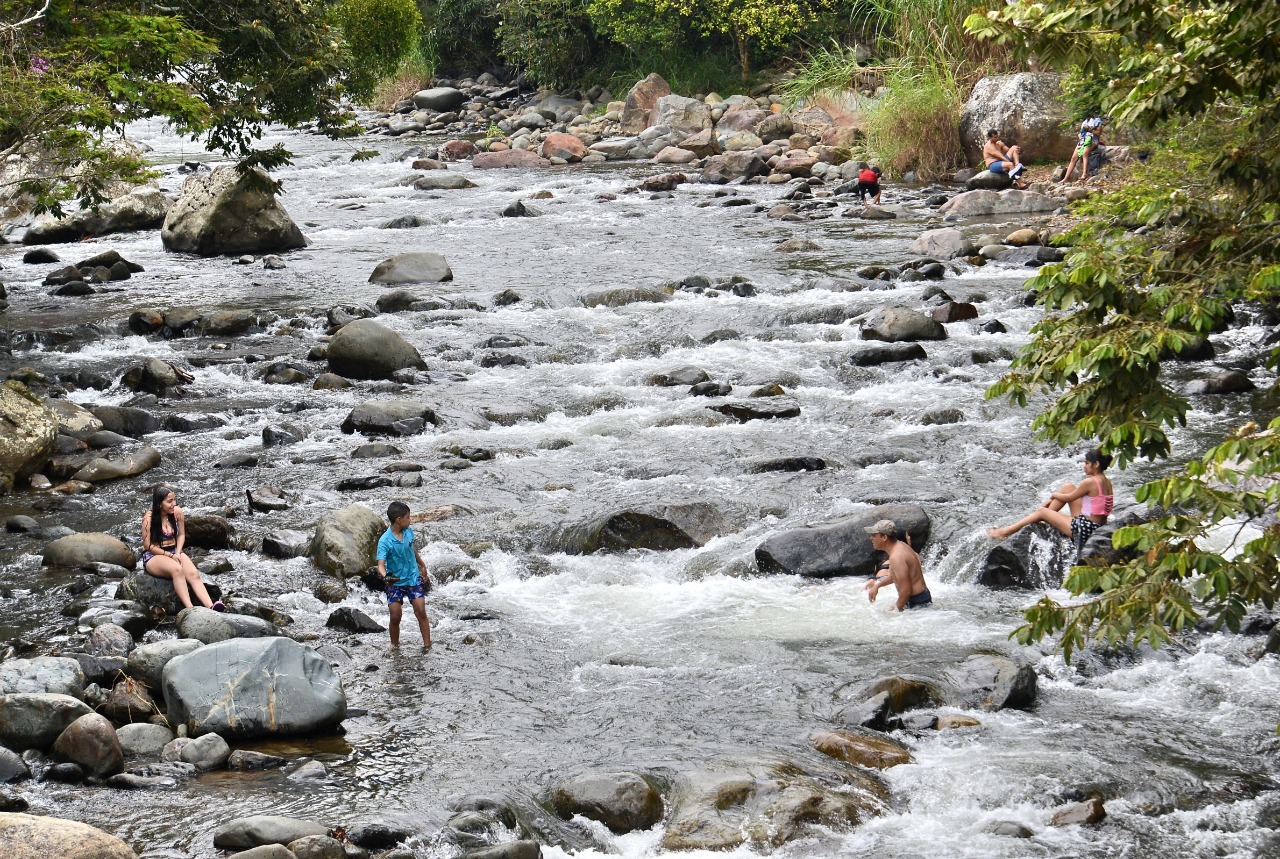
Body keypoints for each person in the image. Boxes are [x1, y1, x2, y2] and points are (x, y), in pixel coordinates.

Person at [986, 448, 1115, 561]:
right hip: (1095, 525)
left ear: (1096, 464)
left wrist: (1053, 495)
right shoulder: (1106, 481)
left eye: (1087, 463)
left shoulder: (1090, 482)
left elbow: (1069, 497)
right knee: (1068, 487)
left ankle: (1005, 532)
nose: (1084, 466)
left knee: (1042, 511)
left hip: (1085, 529)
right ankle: (1046, 518)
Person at [141, 486, 223, 611]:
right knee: (177, 570)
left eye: (174, 500)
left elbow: (181, 535)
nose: (174, 504)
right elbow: (148, 545)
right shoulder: (149, 519)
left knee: (193, 573)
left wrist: (178, 552)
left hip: (174, 551)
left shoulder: (177, 513)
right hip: (154, 556)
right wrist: (170, 556)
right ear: (159, 504)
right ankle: (190, 608)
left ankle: (210, 605)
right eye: (169, 501)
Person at [377, 500, 432, 649]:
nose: (410, 520)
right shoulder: (385, 541)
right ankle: (394, 646)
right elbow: (380, 565)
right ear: (399, 520)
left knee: (421, 611)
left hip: (413, 578)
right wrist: (386, 577)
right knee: (395, 616)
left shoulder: (408, 532)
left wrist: (422, 564)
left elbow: (411, 548)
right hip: (395, 582)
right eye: (408, 517)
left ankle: (427, 646)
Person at [862, 520, 932, 610]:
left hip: (917, 603)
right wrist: (878, 585)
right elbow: (897, 576)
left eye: (874, 535)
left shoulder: (896, 557)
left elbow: (906, 590)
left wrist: (896, 611)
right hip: (919, 598)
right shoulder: (901, 546)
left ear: (884, 537)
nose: (871, 538)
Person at [1061, 117, 1103, 183]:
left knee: (1085, 153)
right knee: (1073, 158)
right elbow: (1081, 133)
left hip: (1093, 140)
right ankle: (1065, 178)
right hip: (1083, 140)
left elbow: (1098, 132)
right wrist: (1080, 136)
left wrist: (1089, 130)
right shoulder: (1085, 122)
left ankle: (1084, 174)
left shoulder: (1097, 120)